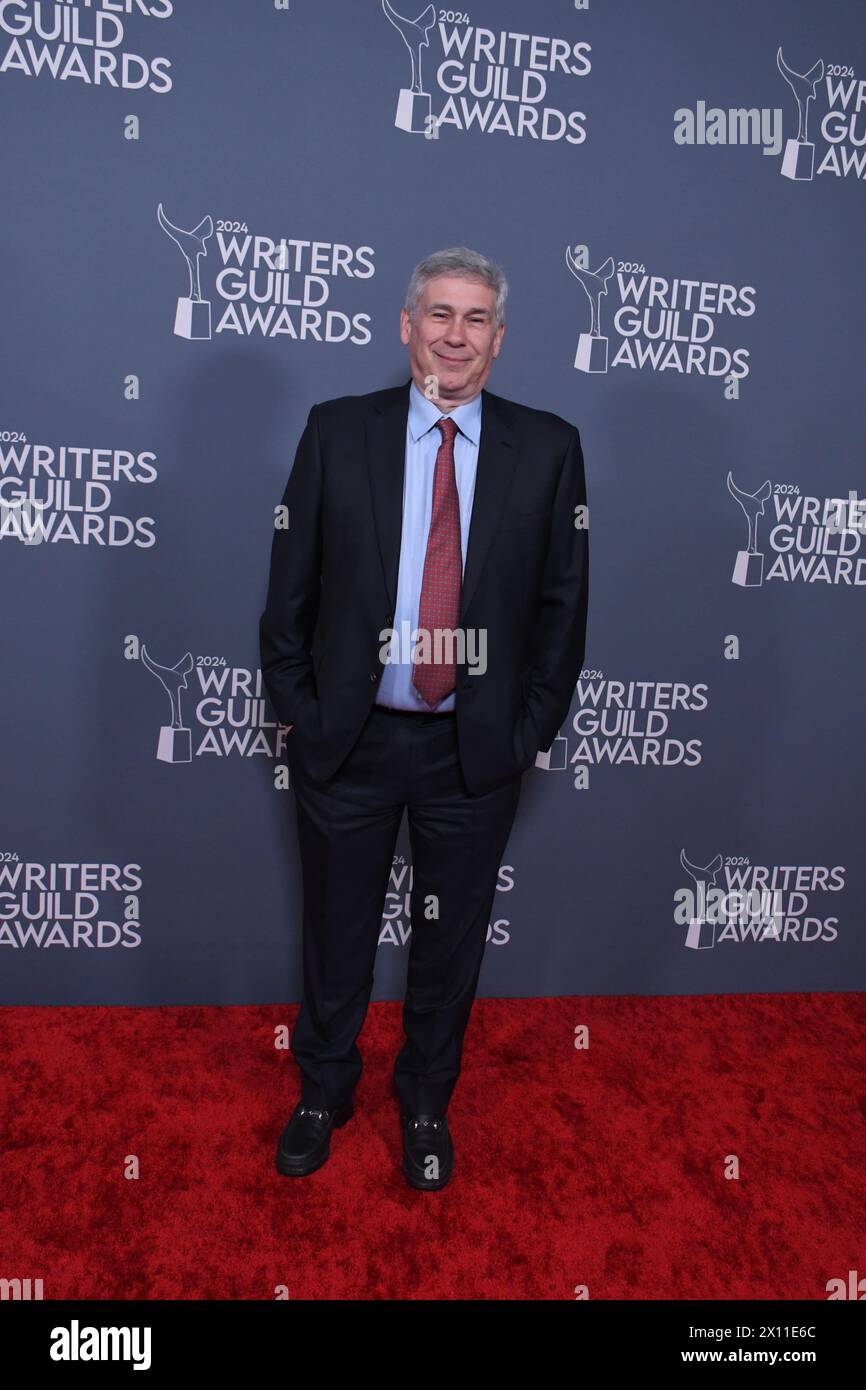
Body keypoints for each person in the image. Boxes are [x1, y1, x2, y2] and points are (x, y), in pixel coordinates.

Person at [259, 246, 589, 1190]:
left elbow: (565, 611)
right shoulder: (337, 432)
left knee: (450, 943)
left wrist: (522, 732)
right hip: (349, 740)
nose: (456, 335)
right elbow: (290, 595)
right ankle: (323, 1091)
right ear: (406, 325)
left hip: (471, 753)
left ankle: (427, 1102)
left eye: (476, 319)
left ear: (499, 339)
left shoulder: (550, 447)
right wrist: (303, 712)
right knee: (336, 929)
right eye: (439, 315)